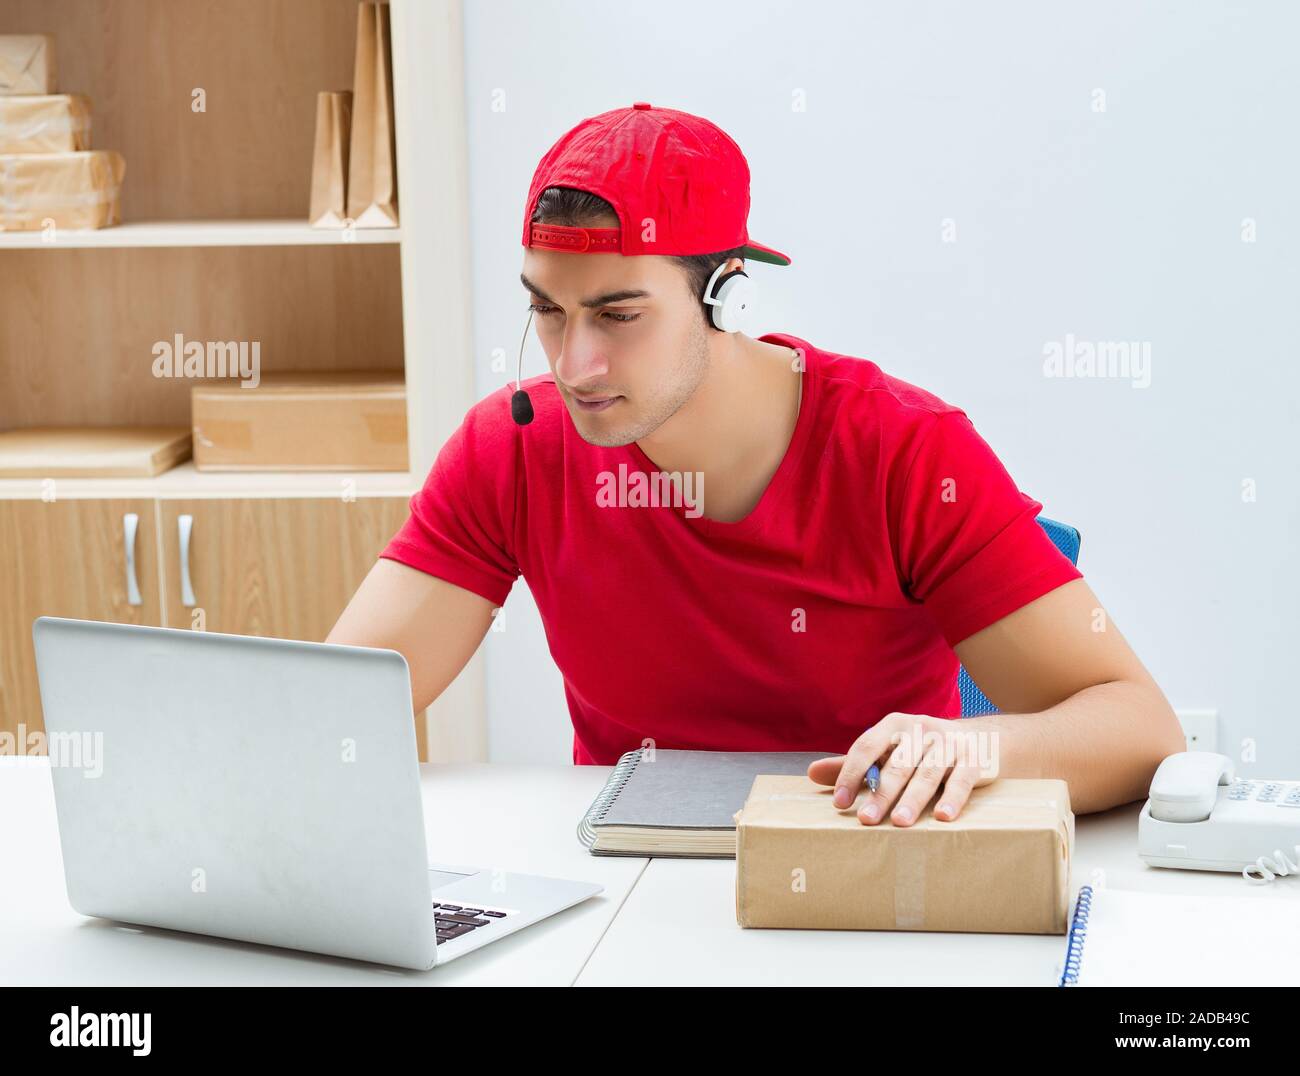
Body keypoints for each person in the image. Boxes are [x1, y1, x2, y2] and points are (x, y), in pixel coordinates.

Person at [327, 102, 1184, 826]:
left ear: (727, 293)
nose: (572, 362)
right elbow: (337, 716)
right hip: (629, 882)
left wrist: (977, 742)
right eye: (548, 310)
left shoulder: (901, 449)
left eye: (618, 315)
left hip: (861, 869)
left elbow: (1142, 728)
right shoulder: (512, 448)